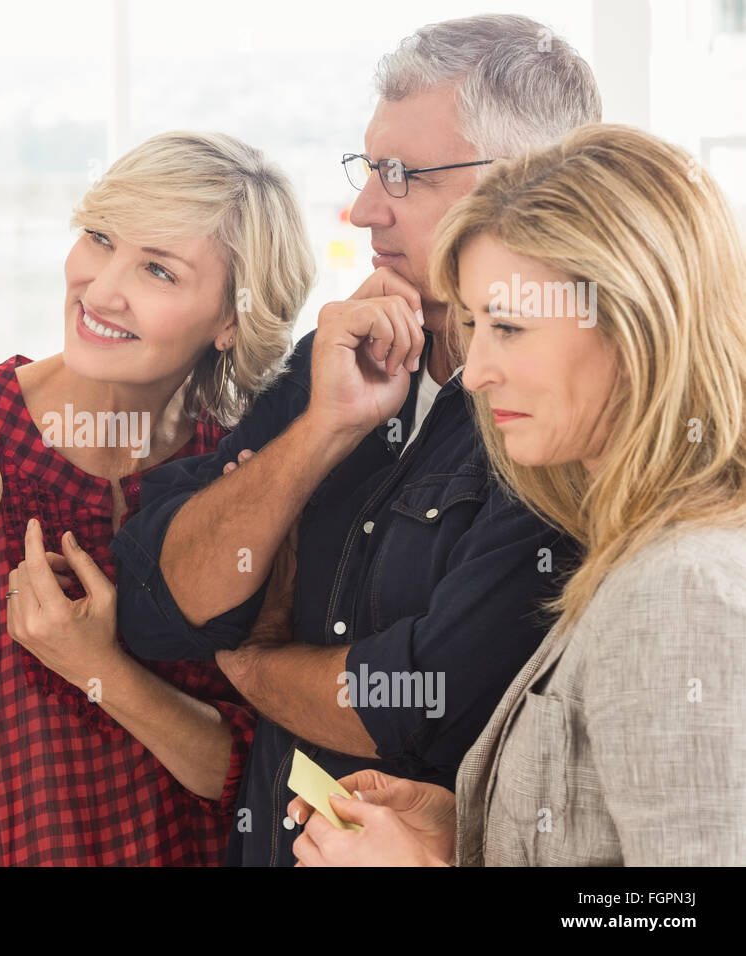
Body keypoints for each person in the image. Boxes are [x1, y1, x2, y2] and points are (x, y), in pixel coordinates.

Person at [111, 14, 600, 866]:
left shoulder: (555, 413)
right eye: (369, 169)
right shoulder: (340, 349)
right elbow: (157, 601)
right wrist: (319, 433)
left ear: (526, 183)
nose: (362, 208)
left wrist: (255, 660)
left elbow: (418, 702)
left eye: (403, 176)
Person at [0, 130, 315, 865]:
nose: (101, 287)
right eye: (100, 237)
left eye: (157, 269)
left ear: (230, 321)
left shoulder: (247, 477)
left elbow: (254, 781)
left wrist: (101, 669)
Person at [289, 124, 746, 867]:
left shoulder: (683, 588)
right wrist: (472, 831)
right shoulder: (635, 551)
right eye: (474, 325)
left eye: (509, 327)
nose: (474, 372)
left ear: (635, 328)